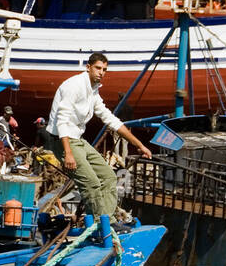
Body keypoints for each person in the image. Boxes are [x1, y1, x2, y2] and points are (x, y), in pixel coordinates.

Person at [45, 53, 151, 217]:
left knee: (109, 177)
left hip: (78, 140)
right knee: (91, 183)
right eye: (98, 68)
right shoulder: (74, 86)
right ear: (88, 67)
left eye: (105, 70)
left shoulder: (93, 91)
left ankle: (107, 222)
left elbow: (111, 119)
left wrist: (140, 145)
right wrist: (68, 154)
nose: (101, 72)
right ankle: (99, 227)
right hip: (63, 141)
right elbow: (62, 121)